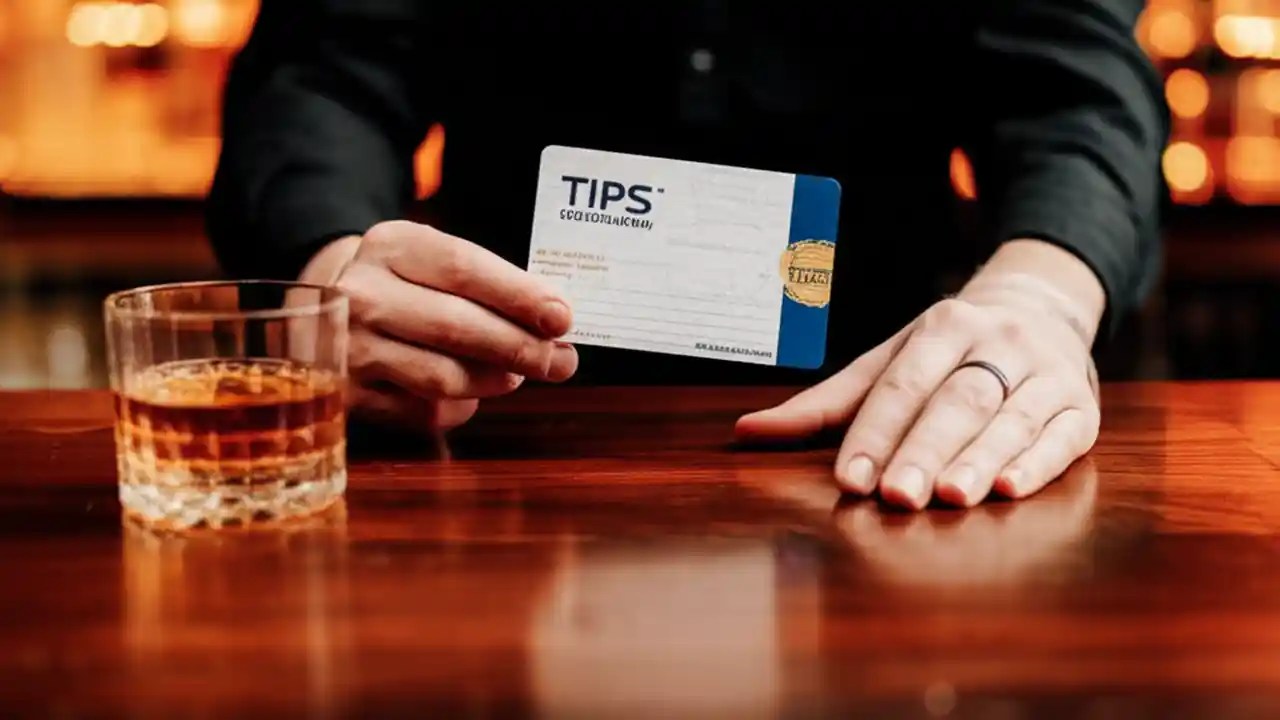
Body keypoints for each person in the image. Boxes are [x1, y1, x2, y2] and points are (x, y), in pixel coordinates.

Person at [207, 1, 1168, 510]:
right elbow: (321, 70)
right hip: (463, 435)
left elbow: (1076, 88)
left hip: (885, 442)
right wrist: (336, 274)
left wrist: (1042, 294)